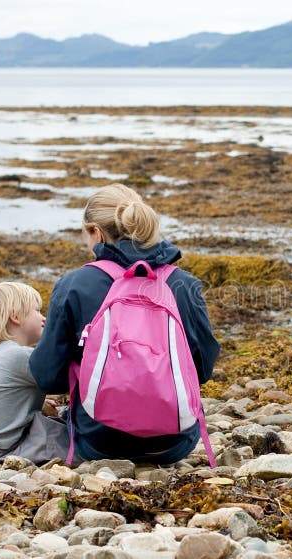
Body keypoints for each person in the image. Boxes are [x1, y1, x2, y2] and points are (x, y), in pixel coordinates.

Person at [30, 183, 219, 464]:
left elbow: (46, 376)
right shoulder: (184, 284)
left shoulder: (74, 285)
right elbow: (202, 369)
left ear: (96, 232)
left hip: (98, 442)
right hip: (174, 443)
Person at [0, 282, 69, 464]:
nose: (43, 318)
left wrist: (31, 403)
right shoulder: (20, 356)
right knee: (74, 436)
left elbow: (4, 397)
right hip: (4, 448)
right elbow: (65, 381)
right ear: (15, 317)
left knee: (60, 415)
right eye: (37, 311)